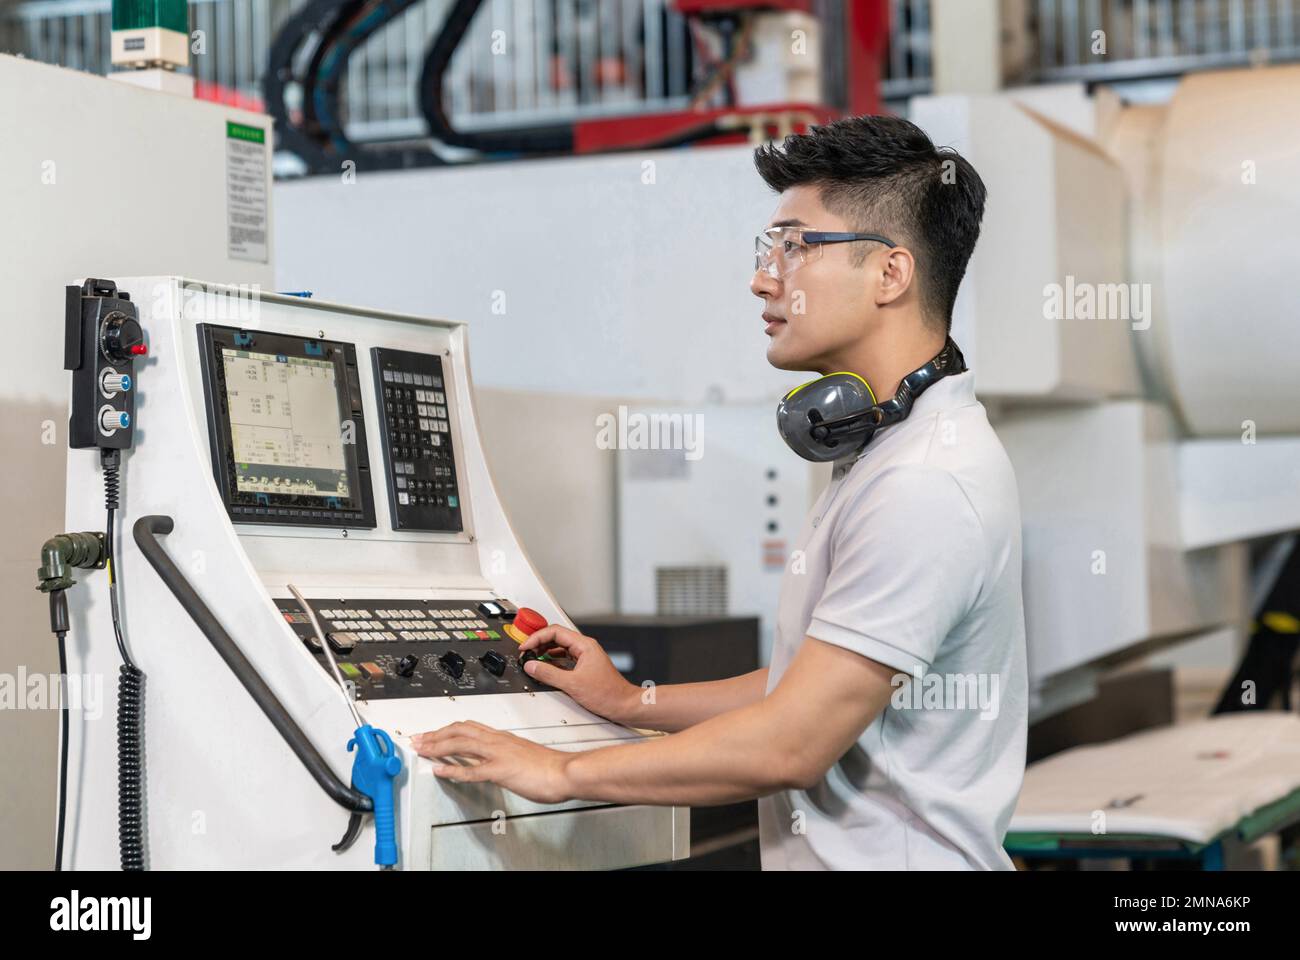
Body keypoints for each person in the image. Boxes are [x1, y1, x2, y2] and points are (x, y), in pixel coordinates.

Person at [412, 115, 1028, 870]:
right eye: (768, 249)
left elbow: (791, 744)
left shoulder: (925, 482)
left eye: (795, 246)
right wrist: (629, 701)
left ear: (890, 275)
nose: (764, 277)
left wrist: (557, 770)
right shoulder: (889, 449)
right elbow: (801, 685)